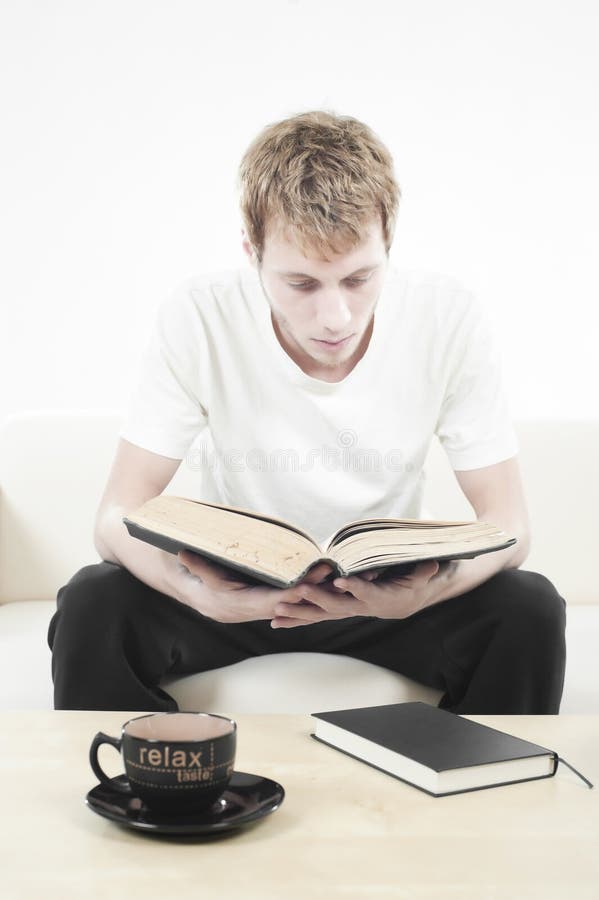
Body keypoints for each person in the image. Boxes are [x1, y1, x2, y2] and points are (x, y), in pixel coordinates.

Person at [47, 109, 566, 713]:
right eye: (301, 284)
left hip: (381, 602)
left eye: (358, 278)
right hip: (238, 598)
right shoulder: (199, 314)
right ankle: (154, 797)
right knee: (93, 602)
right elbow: (117, 515)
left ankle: (475, 795)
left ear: (388, 244)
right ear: (252, 252)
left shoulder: (448, 317)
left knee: (529, 608)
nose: (335, 318)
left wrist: (418, 597)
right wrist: (200, 593)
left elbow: (510, 525)